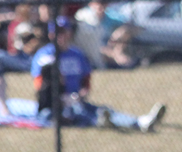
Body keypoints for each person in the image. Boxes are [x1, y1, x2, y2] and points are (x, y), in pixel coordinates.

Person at [31, 16, 165, 132]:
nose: (61, 36)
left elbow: (86, 79)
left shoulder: (77, 54)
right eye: (57, 32)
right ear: (51, 35)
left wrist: (83, 93)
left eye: (63, 32)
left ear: (69, 33)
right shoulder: (44, 55)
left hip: (77, 100)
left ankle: (140, 122)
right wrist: (59, 96)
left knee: (103, 110)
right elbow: (39, 84)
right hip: (55, 104)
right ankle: (100, 122)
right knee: (79, 114)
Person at [74, 0, 139, 68]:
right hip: (90, 48)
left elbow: (134, 27)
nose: (100, 6)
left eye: (103, 2)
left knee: (125, 30)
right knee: (106, 52)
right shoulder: (83, 15)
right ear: (91, 3)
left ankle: (119, 58)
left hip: (109, 45)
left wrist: (117, 35)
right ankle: (122, 61)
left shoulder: (110, 15)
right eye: (98, 2)